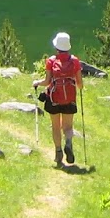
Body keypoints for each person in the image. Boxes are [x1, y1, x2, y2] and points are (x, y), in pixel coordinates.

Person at [40, 32, 83, 167]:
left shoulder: (51, 61)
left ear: (56, 47)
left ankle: (58, 153)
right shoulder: (75, 61)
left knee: (56, 126)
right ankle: (68, 143)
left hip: (54, 99)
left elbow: (47, 81)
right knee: (68, 126)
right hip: (69, 99)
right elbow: (80, 84)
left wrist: (36, 83)